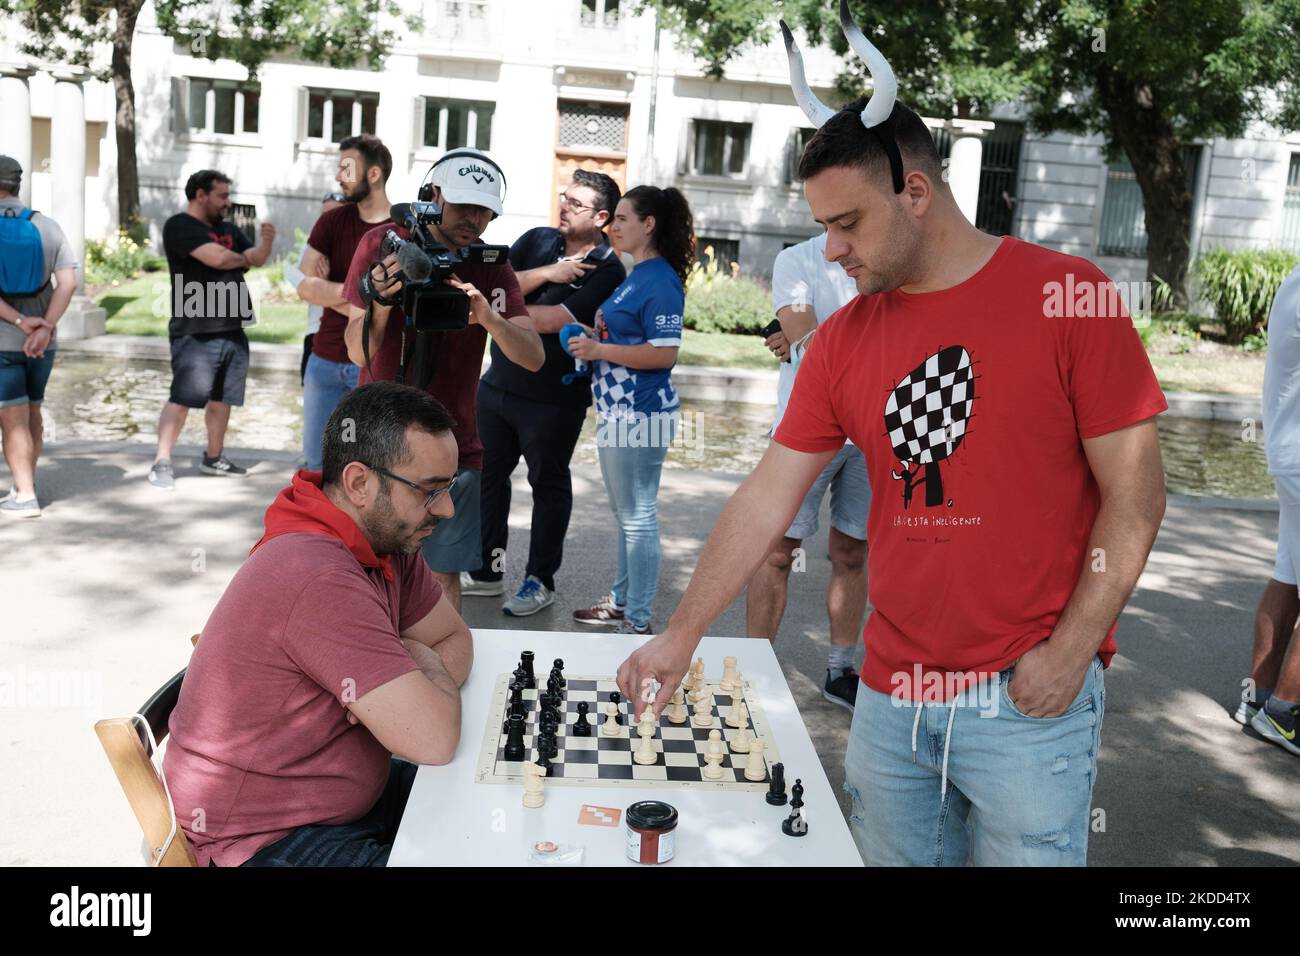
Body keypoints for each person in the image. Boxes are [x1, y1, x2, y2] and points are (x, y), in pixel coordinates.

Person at [615, 15, 1167, 866]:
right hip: (889, 693)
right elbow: (769, 493)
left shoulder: (1070, 296)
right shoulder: (844, 339)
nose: (830, 252)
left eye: (848, 223)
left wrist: (1070, 653)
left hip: (1028, 699)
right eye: (822, 227)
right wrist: (682, 632)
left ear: (916, 191)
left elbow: (1136, 496)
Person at [163, 382, 472, 867]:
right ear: (358, 483)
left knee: (492, 806)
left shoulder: (386, 538)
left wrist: (412, 670)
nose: (447, 509)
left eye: (448, 487)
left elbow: (455, 640)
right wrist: (411, 674)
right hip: (262, 836)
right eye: (430, 491)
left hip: (339, 795)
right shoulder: (316, 572)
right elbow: (432, 738)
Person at [343, 148, 544, 612]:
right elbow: (356, 349)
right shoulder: (382, 244)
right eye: (462, 206)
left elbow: (532, 357)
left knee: (441, 574)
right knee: (364, 563)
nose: (474, 219)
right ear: (433, 196)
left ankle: (444, 671)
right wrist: (382, 301)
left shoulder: (490, 263)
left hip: (453, 443)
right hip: (376, 435)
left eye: (484, 210)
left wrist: (489, 318)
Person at [463, 169, 626, 615]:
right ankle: (487, 571)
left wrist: (504, 311)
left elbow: (556, 319)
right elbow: (499, 286)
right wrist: (550, 272)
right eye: (564, 198)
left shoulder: (609, 268)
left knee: (547, 486)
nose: (564, 206)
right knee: (488, 480)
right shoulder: (538, 238)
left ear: (602, 216)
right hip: (498, 385)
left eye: (576, 203)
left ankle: (539, 580)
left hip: (555, 398)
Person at [747, 232, 868, 710]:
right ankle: (754, 669)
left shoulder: (892, 254)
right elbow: (813, 345)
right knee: (776, 552)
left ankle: (840, 671)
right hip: (806, 429)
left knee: (852, 553)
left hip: (872, 431)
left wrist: (809, 337)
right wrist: (799, 338)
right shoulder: (796, 259)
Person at [569, 185, 694, 635]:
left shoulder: (660, 281)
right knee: (628, 515)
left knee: (639, 517)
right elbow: (626, 341)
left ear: (649, 224)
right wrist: (591, 338)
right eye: (614, 219)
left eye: (622, 218)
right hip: (618, 413)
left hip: (641, 414)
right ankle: (622, 603)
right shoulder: (637, 275)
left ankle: (638, 620)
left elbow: (663, 354)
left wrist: (599, 347)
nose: (613, 226)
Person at [148, 169, 275, 490]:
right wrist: (238, 257)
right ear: (200, 195)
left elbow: (255, 258)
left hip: (233, 325)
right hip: (195, 328)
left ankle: (213, 457)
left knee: (223, 398)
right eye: (221, 195)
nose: (227, 201)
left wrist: (266, 242)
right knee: (183, 397)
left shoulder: (229, 228)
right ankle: (162, 461)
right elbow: (217, 259)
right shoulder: (179, 226)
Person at [297, 136, 394, 471]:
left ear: (374, 174)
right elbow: (304, 287)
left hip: (372, 366)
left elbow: (317, 288)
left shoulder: (400, 232)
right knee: (315, 466)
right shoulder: (332, 222)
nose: (339, 176)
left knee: (366, 469)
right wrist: (362, 298)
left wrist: (328, 290)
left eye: (346, 168)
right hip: (323, 361)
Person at [0, 155, 77, 518]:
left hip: (4, 341)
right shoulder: (47, 225)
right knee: (33, 411)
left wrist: (19, 322)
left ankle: (26, 496)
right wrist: (45, 325)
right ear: (17, 184)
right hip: (43, 343)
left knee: (11, 418)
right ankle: (23, 483)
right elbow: (69, 283)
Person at [1243, 264, 1300, 756]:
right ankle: (1285, 712)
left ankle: (1257, 697)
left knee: (1288, 575)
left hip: (1288, 452)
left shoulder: (1293, 280)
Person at [283, 191, 345, 387]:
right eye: (324, 212)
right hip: (317, 333)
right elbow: (305, 290)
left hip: (351, 336)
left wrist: (322, 287)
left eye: (334, 213)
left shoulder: (358, 246)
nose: (328, 218)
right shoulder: (313, 248)